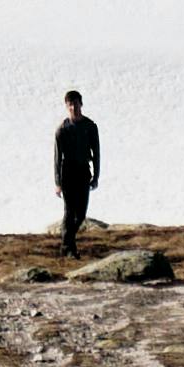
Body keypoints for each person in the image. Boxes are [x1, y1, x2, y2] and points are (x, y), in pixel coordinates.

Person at [50, 88, 102, 255]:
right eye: (70, 104)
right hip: (68, 173)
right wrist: (58, 183)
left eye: (76, 104)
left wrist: (96, 176)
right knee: (69, 211)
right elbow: (57, 158)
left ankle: (67, 244)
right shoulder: (62, 130)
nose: (74, 107)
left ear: (81, 104)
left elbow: (96, 153)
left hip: (83, 172)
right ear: (67, 106)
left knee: (81, 214)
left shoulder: (90, 127)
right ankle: (69, 249)